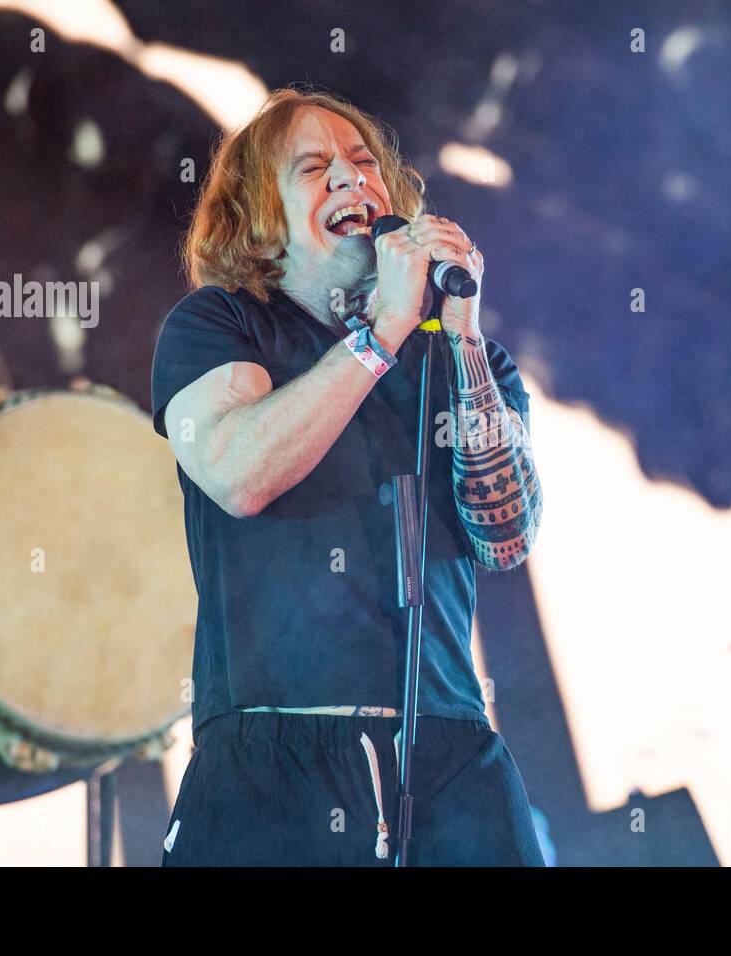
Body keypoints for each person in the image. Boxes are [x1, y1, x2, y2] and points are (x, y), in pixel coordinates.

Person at [150, 87, 545, 866]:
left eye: (365, 165)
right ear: (260, 218)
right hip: (275, 760)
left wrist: (458, 337)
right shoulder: (220, 326)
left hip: (448, 753)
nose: (350, 181)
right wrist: (382, 334)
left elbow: (506, 538)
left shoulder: (468, 364)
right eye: (315, 168)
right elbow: (238, 473)